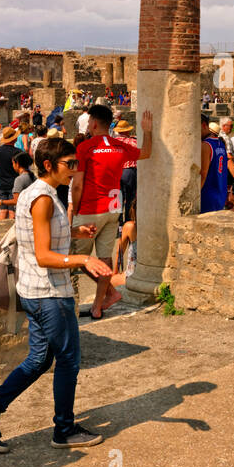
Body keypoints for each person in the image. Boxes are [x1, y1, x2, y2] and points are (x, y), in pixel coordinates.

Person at [0, 136, 113, 453]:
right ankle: (63, 429)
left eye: (77, 164)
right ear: (48, 165)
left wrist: (76, 232)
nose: (75, 170)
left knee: (37, 361)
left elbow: (39, 234)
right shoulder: (43, 197)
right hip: (49, 293)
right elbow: (43, 254)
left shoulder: (42, 193)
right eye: (69, 164)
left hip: (36, 291)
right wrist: (83, 258)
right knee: (69, 361)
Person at [73, 105, 153, 320]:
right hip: (113, 208)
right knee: (105, 258)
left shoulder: (85, 148)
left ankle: (107, 293)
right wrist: (147, 131)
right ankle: (98, 305)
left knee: (77, 258)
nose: (88, 125)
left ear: (94, 123)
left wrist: (74, 209)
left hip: (90, 208)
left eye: (89, 121)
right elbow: (146, 153)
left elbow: (77, 184)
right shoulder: (119, 145)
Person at [200, 113, 231, 214]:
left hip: (207, 194)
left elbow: (203, 174)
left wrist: (194, 194)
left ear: (204, 125)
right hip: (220, 193)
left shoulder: (206, 145)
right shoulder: (221, 143)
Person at [0, 126, 22, 220]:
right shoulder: (18, 152)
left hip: (3, 183)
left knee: (3, 209)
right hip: (15, 183)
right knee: (12, 209)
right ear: (15, 138)